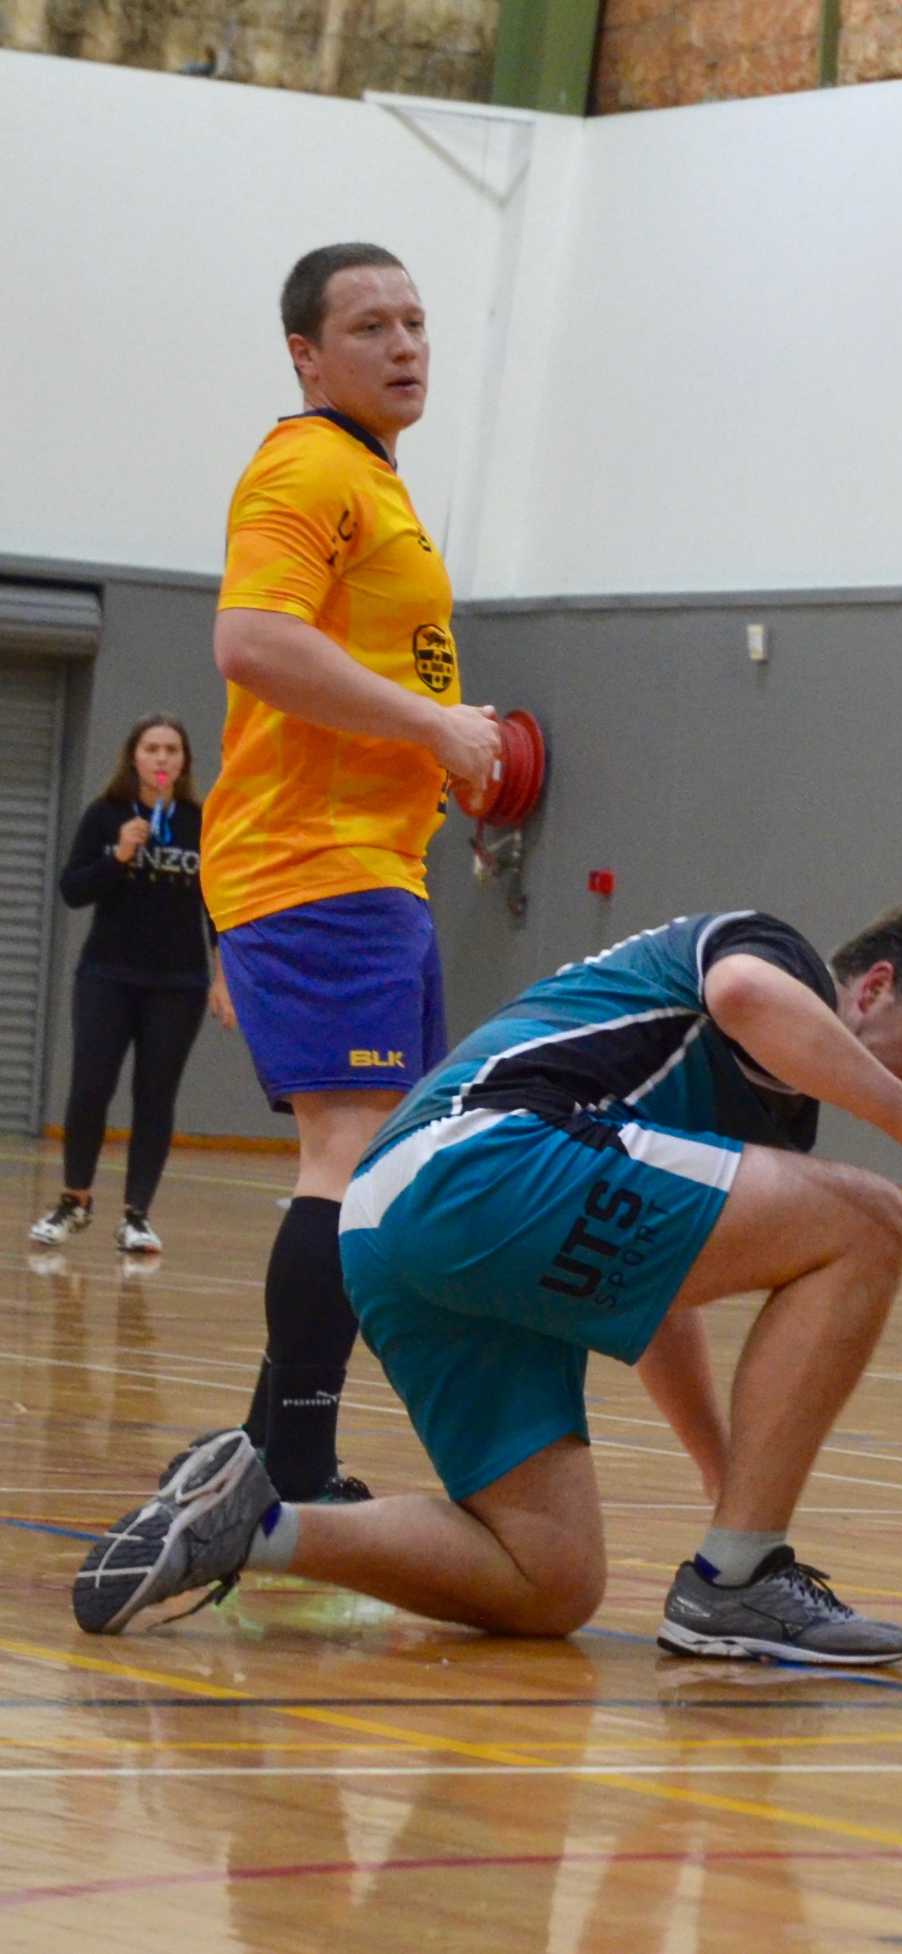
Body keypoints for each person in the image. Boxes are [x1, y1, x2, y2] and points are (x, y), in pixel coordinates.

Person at [74, 904, 902, 1661]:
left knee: (550, 1579)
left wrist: (734, 1489)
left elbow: (659, 1306)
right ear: (875, 987)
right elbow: (741, 990)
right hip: (483, 1161)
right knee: (874, 1219)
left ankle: (252, 1526)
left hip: (397, 1229)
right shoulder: (779, 961)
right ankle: (740, 1583)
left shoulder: (765, 1117)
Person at [205, 242, 506, 1506]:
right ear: (306, 355)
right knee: (348, 1150)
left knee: (366, 1159)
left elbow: (351, 668)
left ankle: (267, 1450)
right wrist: (435, 729)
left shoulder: (375, 485)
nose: (404, 345)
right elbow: (253, 641)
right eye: (372, 325)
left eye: (418, 322)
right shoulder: (308, 464)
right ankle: (297, 1460)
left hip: (375, 866)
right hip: (313, 862)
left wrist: (447, 730)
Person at [32, 715, 228, 1256]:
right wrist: (116, 856)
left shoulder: (200, 821)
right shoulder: (106, 815)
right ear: (134, 757)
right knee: (90, 1087)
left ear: (184, 761)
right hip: (107, 975)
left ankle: (137, 1215)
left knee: (155, 1096)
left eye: (172, 749)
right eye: (152, 748)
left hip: (178, 982)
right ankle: (75, 1200)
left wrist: (224, 978)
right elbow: (73, 890)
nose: (162, 758)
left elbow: (219, 907)